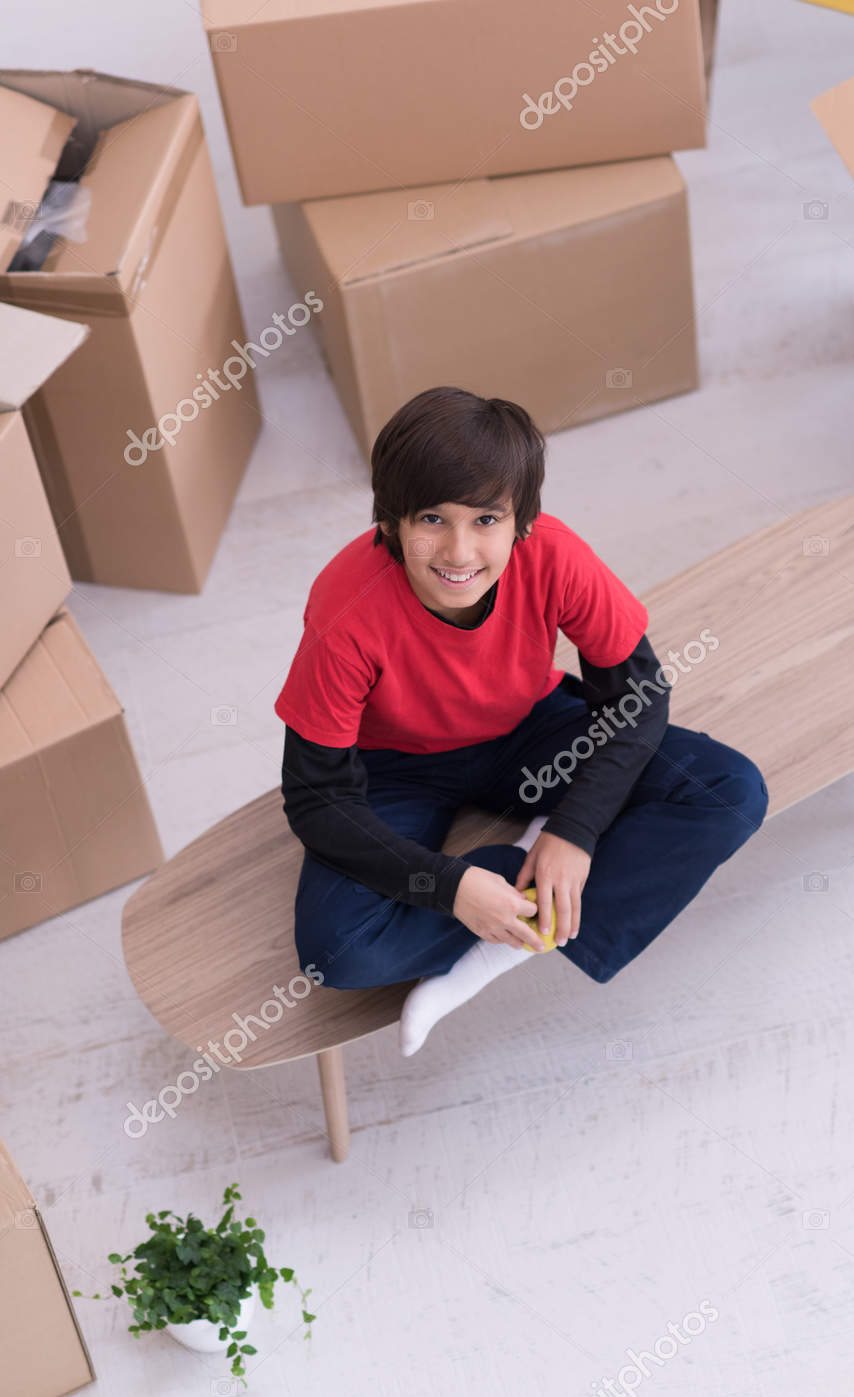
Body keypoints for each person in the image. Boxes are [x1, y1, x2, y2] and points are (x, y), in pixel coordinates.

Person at [275, 386, 768, 1057]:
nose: (457, 551)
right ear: (389, 522)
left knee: (730, 791)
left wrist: (575, 829)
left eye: (485, 520)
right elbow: (316, 796)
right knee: (337, 954)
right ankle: (513, 893)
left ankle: (495, 950)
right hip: (396, 768)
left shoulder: (556, 554)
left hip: (530, 731)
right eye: (430, 519)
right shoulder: (344, 613)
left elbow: (638, 693)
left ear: (523, 522)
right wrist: (451, 887)